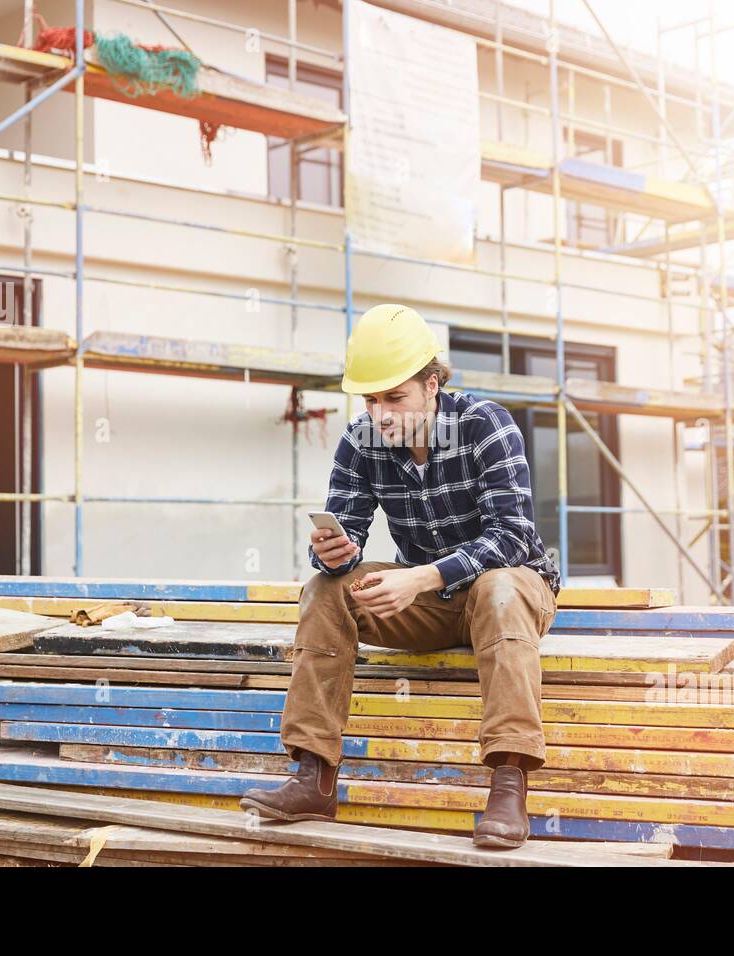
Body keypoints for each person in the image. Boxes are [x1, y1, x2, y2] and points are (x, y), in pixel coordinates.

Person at [239, 303, 561, 849]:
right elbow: (343, 546)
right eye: (371, 399)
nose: (381, 413)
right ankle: (314, 776)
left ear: (432, 384)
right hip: (431, 604)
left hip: (510, 591)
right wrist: (335, 553)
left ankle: (508, 783)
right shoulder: (361, 441)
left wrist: (421, 578)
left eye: (395, 396)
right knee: (324, 590)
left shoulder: (486, 425)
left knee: (498, 586)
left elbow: (512, 537)